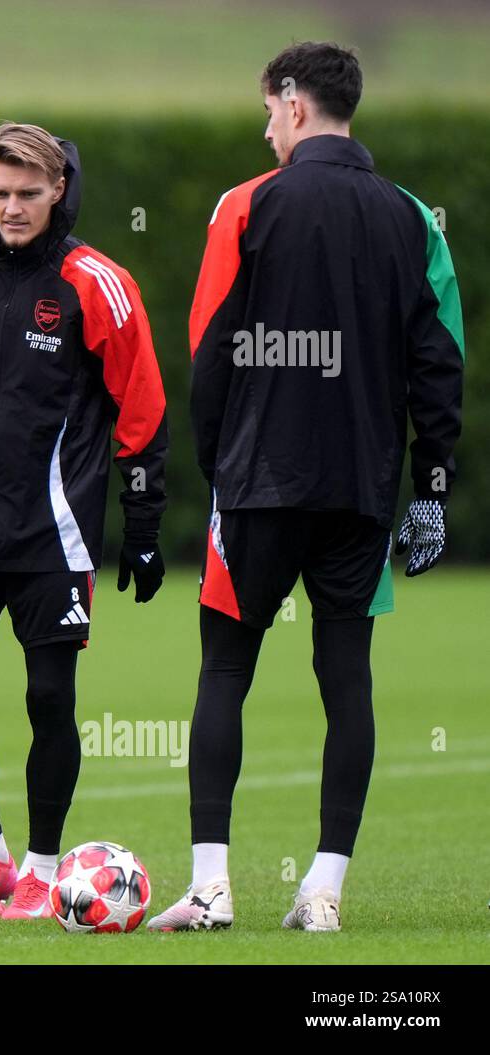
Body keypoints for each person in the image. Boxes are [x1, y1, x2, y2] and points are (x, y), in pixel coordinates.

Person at [148, 42, 464, 933]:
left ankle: (210, 890)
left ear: (291, 103)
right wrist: (431, 485)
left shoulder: (246, 203)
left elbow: (209, 345)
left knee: (223, 669)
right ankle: (323, 891)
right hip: (361, 487)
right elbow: (440, 364)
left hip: (257, 479)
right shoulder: (414, 218)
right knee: (347, 679)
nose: (264, 129)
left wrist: (219, 465)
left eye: (266, 111)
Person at [0, 121, 168, 918]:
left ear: (60, 192)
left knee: (49, 699)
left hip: (54, 534)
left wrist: (144, 524)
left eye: (29, 193)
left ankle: (46, 869)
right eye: (0, 192)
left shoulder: (96, 283)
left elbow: (142, 411)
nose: (12, 208)